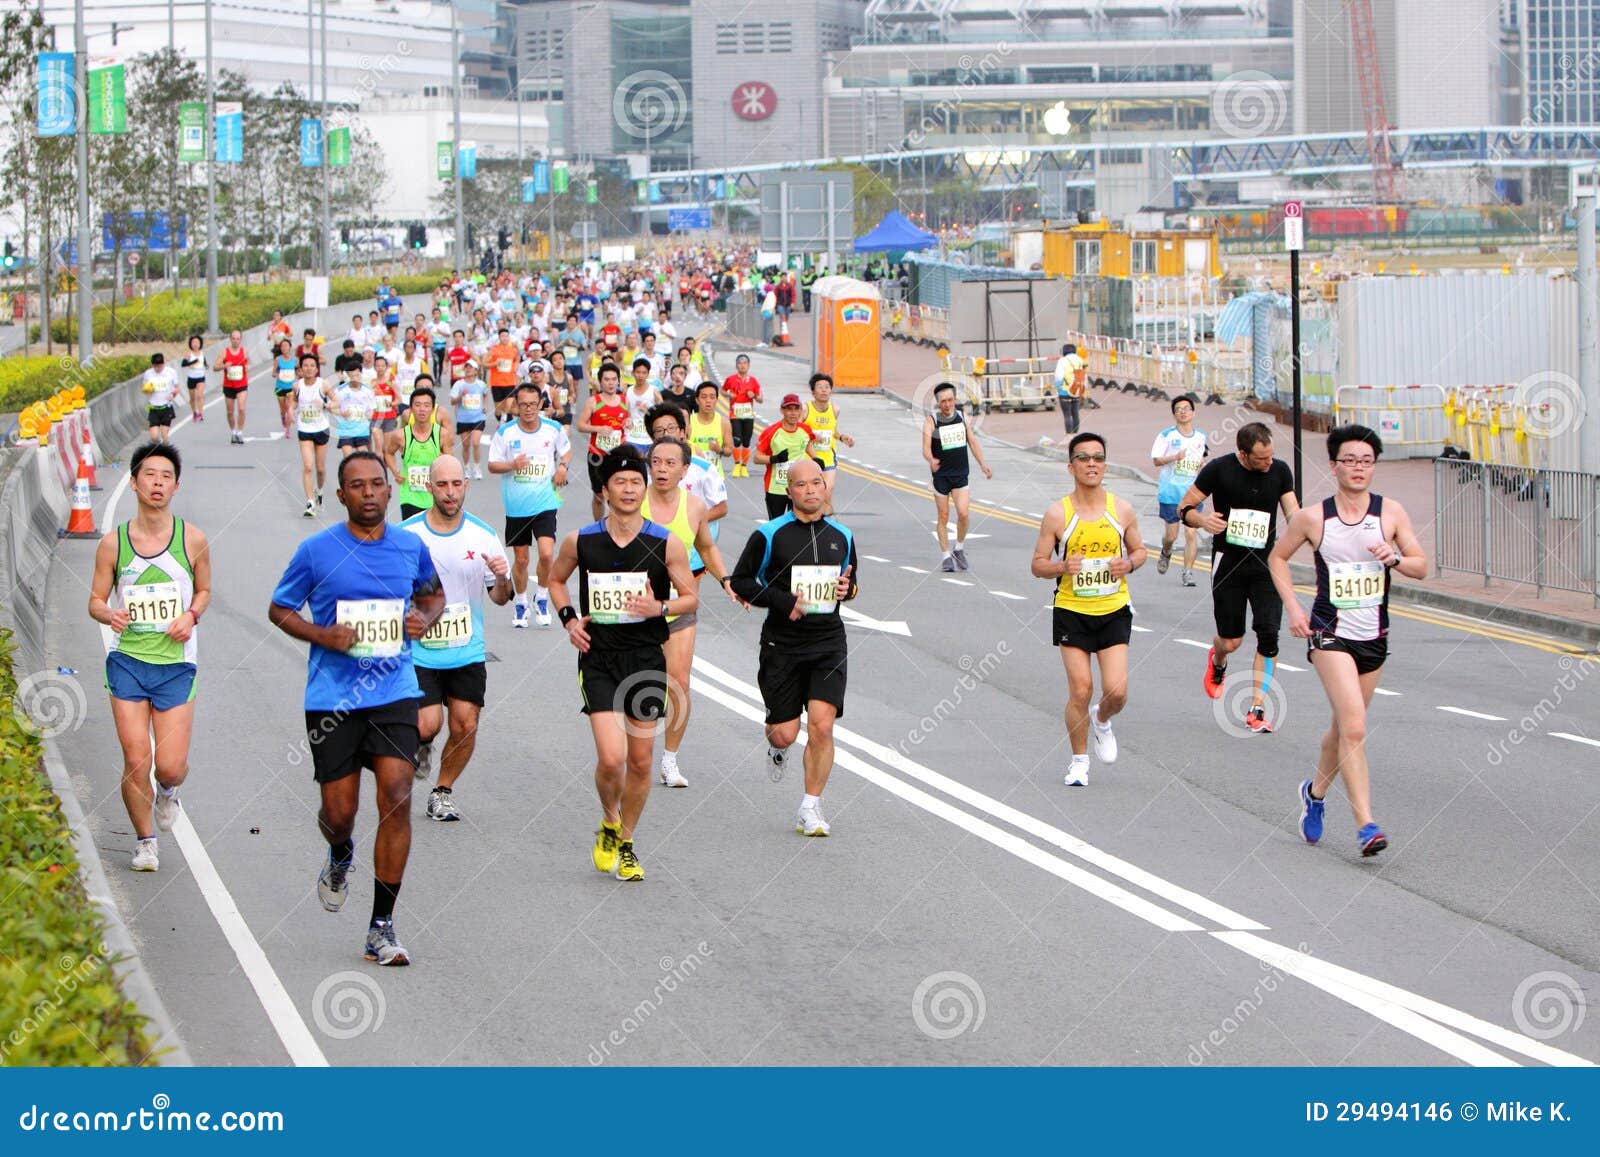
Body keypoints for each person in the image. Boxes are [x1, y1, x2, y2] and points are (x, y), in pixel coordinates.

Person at [269, 450, 444, 966]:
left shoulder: (411, 548)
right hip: (332, 699)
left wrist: (424, 620)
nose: (369, 493)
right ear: (341, 495)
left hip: (394, 692)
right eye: (357, 486)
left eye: (377, 484)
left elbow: (433, 597)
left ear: (391, 492)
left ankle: (381, 926)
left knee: (396, 795)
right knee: (339, 813)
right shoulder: (316, 551)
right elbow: (278, 608)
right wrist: (323, 634)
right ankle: (340, 852)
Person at [1269, 425, 1425, 858]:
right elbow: (1277, 558)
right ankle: (1366, 825)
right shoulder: (1313, 517)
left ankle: (1314, 793)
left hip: (1374, 636)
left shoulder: (1390, 513)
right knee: (1354, 725)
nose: (1358, 467)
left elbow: (1420, 565)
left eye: (1366, 461)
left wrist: (1395, 557)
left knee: (1342, 729)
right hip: (1329, 633)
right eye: (1350, 460)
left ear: (1374, 466)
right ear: (1334, 465)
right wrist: (1295, 610)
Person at [547, 447, 699, 883]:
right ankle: (609, 819)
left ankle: (627, 842)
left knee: (641, 761)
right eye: (621, 482)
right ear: (606, 490)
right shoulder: (582, 540)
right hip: (598, 657)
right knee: (612, 760)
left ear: (644, 489)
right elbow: (555, 580)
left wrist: (660, 606)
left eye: (636, 482)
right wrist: (569, 620)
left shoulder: (663, 541)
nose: (629, 489)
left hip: (646, 658)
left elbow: (690, 597)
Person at [87, 442, 211, 873]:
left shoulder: (191, 538)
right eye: (149, 475)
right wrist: (109, 613)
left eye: (165, 477)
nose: (157, 483)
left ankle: (169, 791)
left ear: (176, 486)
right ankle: (145, 841)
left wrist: (191, 616)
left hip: (177, 664)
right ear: (134, 481)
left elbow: (205, 590)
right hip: (128, 663)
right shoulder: (113, 543)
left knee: (171, 766)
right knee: (136, 756)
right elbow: (95, 600)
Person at [730, 459, 858, 836]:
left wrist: (845, 590)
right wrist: (783, 601)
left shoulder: (843, 535)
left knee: (822, 727)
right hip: (782, 644)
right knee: (784, 732)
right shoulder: (770, 535)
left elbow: (852, 585)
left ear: (826, 486)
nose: (811, 490)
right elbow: (741, 581)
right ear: (789, 493)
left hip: (828, 642)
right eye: (801, 485)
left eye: (817, 483)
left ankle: (810, 807)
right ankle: (778, 747)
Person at [1030, 432, 1147, 787]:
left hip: (1113, 607)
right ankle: (1079, 761)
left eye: (1097, 457)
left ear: (1105, 465)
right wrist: (1062, 568)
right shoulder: (1057, 514)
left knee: (1117, 692)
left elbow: (1140, 551)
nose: (1091, 463)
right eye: (1084, 458)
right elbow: (1037, 565)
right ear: (1071, 466)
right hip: (1072, 609)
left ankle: (1102, 718)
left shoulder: (1121, 509)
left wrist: (1129, 564)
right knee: (1081, 689)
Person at [401, 456, 512, 821]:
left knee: (465, 724)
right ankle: (423, 744)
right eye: (442, 485)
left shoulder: (482, 535)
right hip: (421, 651)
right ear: (429, 487)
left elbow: (499, 597)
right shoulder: (408, 535)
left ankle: (442, 791)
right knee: (427, 724)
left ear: (465, 485)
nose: (450, 493)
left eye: (457, 484)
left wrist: (503, 579)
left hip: (466, 648)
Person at [1177, 422, 1300, 733]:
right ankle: (1218, 659)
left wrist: (1303, 533)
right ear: (1243, 454)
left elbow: (1294, 514)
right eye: (1261, 458)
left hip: (1266, 565)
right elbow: (1185, 507)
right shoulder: (1219, 469)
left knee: (1269, 636)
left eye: (1271, 455)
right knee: (1232, 640)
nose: (1268, 462)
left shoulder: (1280, 471)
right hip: (1228, 563)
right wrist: (1203, 520)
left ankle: (1257, 708)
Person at [641, 437, 734, 788]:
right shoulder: (634, 501)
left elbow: (706, 547)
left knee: (678, 682)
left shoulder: (694, 506)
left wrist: (725, 579)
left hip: (679, 604)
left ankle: (669, 760)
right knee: (641, 682)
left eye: (670, 463)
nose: (662, 468)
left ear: (684, 469)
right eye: (656, 462)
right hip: (637, 607)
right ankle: (634, 754)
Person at [488, 383, 572, 628]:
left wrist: (562, 467)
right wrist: (512, 466)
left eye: (532, 404)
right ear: (516, 406)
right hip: (516, 505)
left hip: (545, 501)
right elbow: (493, 465)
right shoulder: (506, 433)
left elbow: (566, 452)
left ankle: (542, 597)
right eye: (523, 404)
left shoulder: (553, 429)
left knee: (547, 554)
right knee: (522, 559)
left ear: (540, 405)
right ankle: (522, 602)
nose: (528, 409)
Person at [922, 382, 993, 571]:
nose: (947, 404)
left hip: (961, 474)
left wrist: (983, 465)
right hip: (941, 476)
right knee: (943, 515)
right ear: (938, 403)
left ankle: (959, 548)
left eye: (950, 400)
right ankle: (946, 556)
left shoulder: (962, 417)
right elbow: (925, 449)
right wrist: (931, 459)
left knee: (963, 513)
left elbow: (973, 442)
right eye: (943, 401)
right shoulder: (932, 421)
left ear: (955, 400)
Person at [1150, 394, 1208, 585]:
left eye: (1186, 409)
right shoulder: (1166, 435)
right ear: (1174, 414)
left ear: (1193, 412)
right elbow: (1157, 460)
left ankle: (1187, 572)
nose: (1182, 412)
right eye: (1178, 410)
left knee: (1191, 533)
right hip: (1170, 492)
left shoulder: (1201, 436)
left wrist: (1201, 464)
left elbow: (1203, 456)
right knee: (1171, 535)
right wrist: (1175, 457)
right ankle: (1166, 551)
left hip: (1193, 493)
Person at [386, 383, 453, 520]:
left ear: (433, 409)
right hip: (410, 497)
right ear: (410, 409)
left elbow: (449, 463)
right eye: (417, 405)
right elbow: (388, 453)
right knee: (412, 537)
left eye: (427, 405)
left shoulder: (442, 435)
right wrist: (395, 472)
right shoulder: (401, 435)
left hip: (435, 497)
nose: (422, 409)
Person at [577, 362, 629, 520]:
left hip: (618, 455)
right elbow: (580, 425)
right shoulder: (593, 401)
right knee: (599, 495)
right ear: (600, 381)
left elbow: (628, 419)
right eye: (607, 379)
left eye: (614, 379)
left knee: (617, 493)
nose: (611, 383)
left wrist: (629, 422)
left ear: (618, 381)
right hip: (597, 455)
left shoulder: (624, 401)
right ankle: (598, 527)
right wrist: (598, 429)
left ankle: (616, 525)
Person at [753, 395, 816, 521]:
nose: (793, 413)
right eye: (789, 409)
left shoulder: (805, 429)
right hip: (776, 488)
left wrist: (815, 458)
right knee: (776, 526)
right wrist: (775, 459)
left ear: (801, 411)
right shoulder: (771, 432)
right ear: (782, 411)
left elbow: (807, 444)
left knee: (799, 524)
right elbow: (756, 458)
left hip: (799, 488)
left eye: (796, 409)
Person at [291, 353, 336, 517]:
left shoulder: (323, 385)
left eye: (312, 365)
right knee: (308, 466)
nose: (308, 368)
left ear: (317, 369)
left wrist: (325, 404)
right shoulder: (297, 386)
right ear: (301, 369)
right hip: (305, 429)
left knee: (320, 468)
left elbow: (336, 402)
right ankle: (310, 502)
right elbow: (293, 403)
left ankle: (319, 490)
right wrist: (290, 412)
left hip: (322, 429)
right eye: (305, 365)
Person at [805, 373, 855, 514]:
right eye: (820, 387)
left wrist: (842, 437)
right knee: (810, 494)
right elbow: (797, 429)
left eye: (827, 387)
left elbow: (833, 430)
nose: (824, 390)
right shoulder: (805, 409)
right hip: (808, 457)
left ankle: (826, 524)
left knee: (827, 491)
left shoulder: (835, 409)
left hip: (827, 456)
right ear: (813, 392)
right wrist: (812, 435)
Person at [721, 354, 762, 477]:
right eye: (740, 363)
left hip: (748, 414)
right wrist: (729, 395)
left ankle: (744, 466)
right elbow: (722, 391)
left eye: (745, 363)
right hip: (735, 414)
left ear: (748, 366)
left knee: (746, 441)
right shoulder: (730, 379)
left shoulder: (754, 381)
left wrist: (753, 396)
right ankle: (736, 464)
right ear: (736, 365)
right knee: (737, 439)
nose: (742, 365)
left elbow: (760, 399)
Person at [450, 359, 491, 479]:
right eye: (466, 367)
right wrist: (460, 396)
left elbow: (485, 394)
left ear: (476, 371)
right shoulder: (459, 384)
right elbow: (452, 401)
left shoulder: (481, 384)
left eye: (471, 368)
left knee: (476, 442)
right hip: (463, 419)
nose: (468, 369)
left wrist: (485, 406)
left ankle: (477, 468)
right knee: (466, 445)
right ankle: (467, 468)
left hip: (478, 418)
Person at [687, 381, 733, 481]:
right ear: (697, 400)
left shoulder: (724, 423)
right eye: (704, 397)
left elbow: (729, 450)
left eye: (712, 397)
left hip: (715, 477)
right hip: (693, 478)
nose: (708, 401)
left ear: (716, 400)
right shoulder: (688, 422)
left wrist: (719, 450)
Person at [333, 367, 376, 458]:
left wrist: (369, 416)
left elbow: (372, 409)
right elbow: (331, 408)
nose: (355, 378)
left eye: (357, 375)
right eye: (352, 376)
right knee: (347, 457)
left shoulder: (368, 391)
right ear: (348, 376)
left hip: (362, 430)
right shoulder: (340, 390)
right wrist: (341, 413)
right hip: (346, 429)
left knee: (361, 458)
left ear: (361, 375)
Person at [141, 353, 180, 442]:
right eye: (155, 366)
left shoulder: (171, 372)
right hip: (154, 407)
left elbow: (177, 388)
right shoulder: (148, 373)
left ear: (163, 363)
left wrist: (173, 395)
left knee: (164, 434)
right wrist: (147, 390)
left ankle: (167, 452)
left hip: (166, 407)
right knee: (154, 437)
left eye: (159, 366)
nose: (157, 368)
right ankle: (158, 450)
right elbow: (143, 389)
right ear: (152, 365)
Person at [622, 358, 660, 451]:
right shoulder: (628, 391)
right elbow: (625, 413)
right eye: (638, 372)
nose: (641, 376)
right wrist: (627, 419)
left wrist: (647, 410)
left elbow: (662, 414)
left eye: (644, 373)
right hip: (631, 437)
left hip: (649, 438)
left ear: (648, 374)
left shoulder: (653, 391)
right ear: (633, 373)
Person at [220, 330, 250, 444]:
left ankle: (240, 432)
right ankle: (233, 432)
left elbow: (248, 361)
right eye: (234, 338)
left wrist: (247, 366)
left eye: (238, 339)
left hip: (242, 384)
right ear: (230, 339)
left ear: (240, 340)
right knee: (230, 412)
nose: (236, 341)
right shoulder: (224, 352)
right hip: (228, 385)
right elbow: (215, 367)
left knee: (241, 408)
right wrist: (224, 365)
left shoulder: (244, 351)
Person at [1053, 342, 1087, 443]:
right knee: (1075, 413)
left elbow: (1059, 376)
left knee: (1067, 414)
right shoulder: (1080, 360)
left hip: (1065, 390)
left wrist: (1058, 387)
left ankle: (1068, 437)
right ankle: (1075, 436)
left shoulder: (1062, 360)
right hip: (1077, 389)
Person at [485, 326, 521, 421]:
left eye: (506, 336)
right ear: (499, 338)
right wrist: (495, 363)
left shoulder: (513, 349)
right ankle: (501, 420)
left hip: (510, 382)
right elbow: (484, 364)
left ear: (509, 337)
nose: (505, 338)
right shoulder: (494, 350)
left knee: (508, 406)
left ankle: (505, 423)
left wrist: (515, 367)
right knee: (498, 410)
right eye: (502, 336)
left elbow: (517, 359)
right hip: (496, 383)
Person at [272, 338, 299, 436]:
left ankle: (287, 429)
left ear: (290, 347)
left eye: (286, 346)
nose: (284, 348)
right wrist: (277, 375)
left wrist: (299, 374)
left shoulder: (295, 360)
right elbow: (273, 372)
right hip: (280, 387)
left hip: (290, 387)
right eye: (282, 346)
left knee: (289, 407)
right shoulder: (278, 359)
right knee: (283, 409)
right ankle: (283, 416)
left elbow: (297, 371)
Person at [180, 335, 207, 424]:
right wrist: (192, 362)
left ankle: (200, 413)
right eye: (193, 343)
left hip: (201, 377)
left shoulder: (202, 353)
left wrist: (206, 366)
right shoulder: (189, 354)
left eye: (197, 343)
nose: (195, 344)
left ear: (200, 344)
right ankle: (194, 412)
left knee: (200, 395)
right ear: (190, 344)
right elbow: (183, 364)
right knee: (192, 398)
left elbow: (204, 362)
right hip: (191, 378)